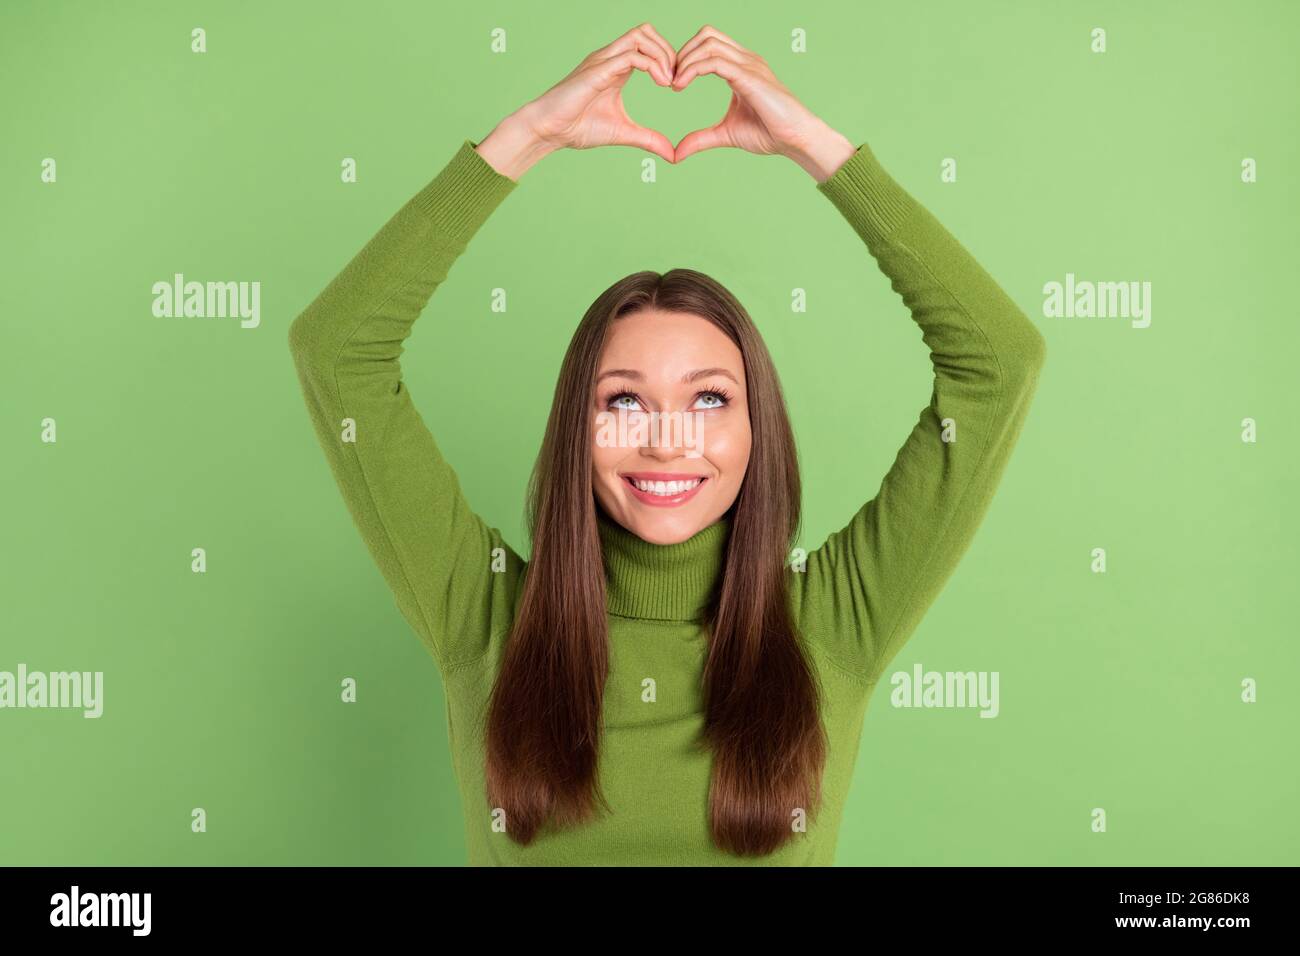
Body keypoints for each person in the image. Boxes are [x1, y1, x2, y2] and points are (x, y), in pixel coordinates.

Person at [288, 23, 1047, 865]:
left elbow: (999, 361)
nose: (666, 440)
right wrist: (530, 134)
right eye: (623, 401)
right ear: (578, 427)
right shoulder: (486, 614)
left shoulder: (831, 624)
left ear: (757, 431)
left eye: (710, 399)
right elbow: (337, 350)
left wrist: (814, 147)